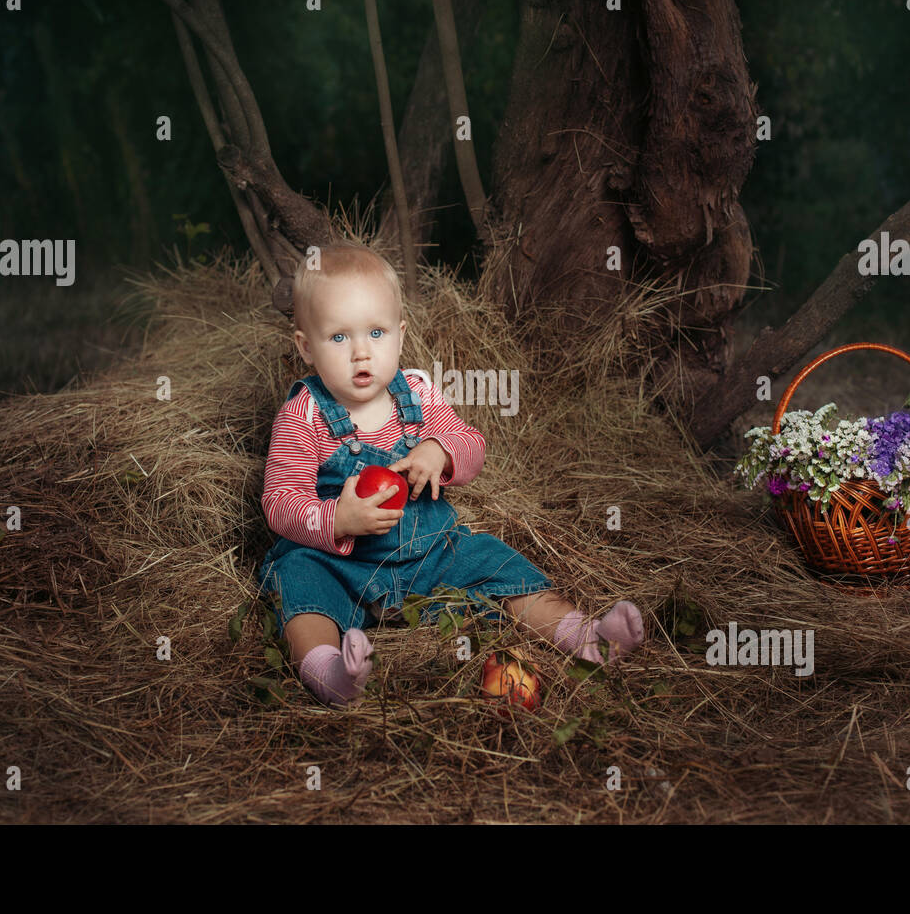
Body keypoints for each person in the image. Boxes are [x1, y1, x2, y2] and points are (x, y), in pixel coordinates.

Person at [258, 240, 645, 705]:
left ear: (400, 334)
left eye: (376, 333)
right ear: (306, 347)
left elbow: (473, 445)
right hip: (340, 563)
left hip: (430, 557)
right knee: (301, 585)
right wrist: (337, 521)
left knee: (497, 564)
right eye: (339, 337)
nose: (362, 353)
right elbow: (280, 500)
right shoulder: (304, 414)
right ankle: (331, 672)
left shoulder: (417, 394)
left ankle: (586, 637)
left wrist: (441, 452)